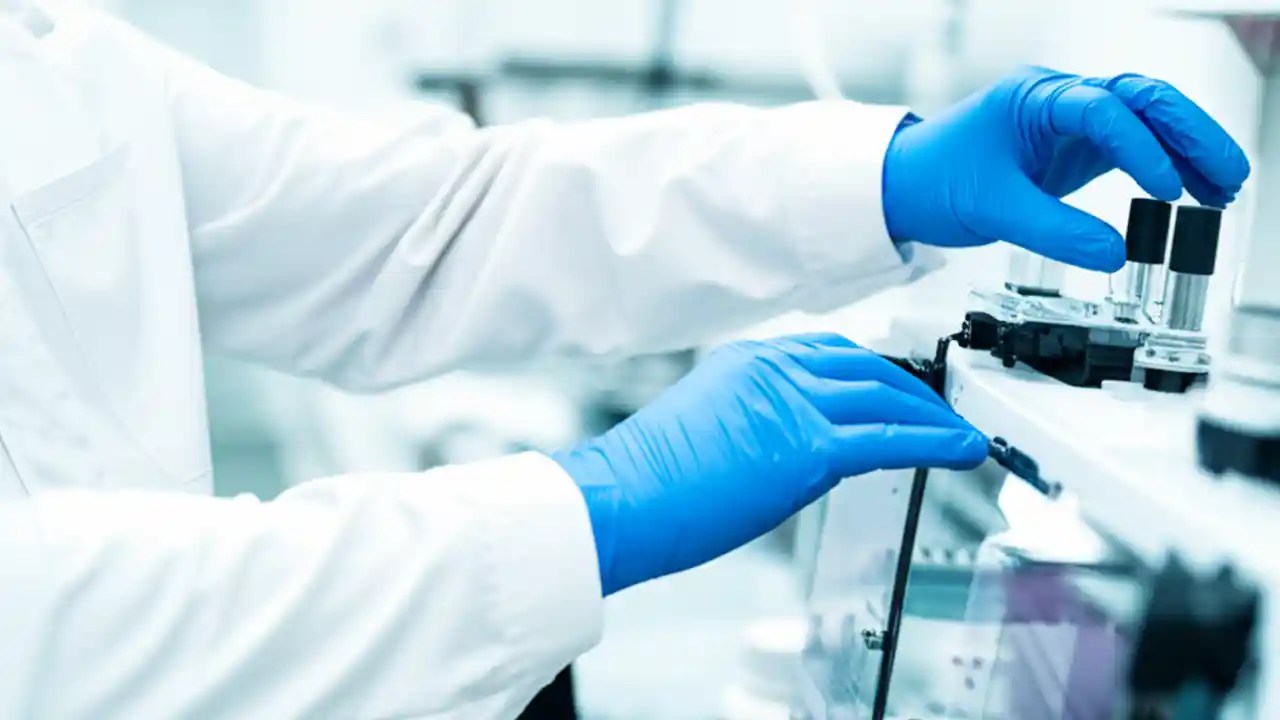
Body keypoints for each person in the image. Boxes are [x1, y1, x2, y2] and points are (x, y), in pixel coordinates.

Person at [0, 1, 1249, 717]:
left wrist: (881, 180)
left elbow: (427, 227)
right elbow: (46, 622)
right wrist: (577, 511)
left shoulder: (50, 60)